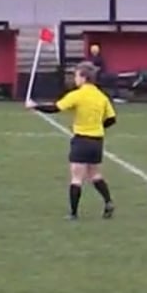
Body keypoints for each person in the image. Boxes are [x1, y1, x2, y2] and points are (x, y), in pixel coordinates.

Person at [32, 62, 115, 220]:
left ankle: (74, 213)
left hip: (82, 139)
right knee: (95, 174)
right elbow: (111, 119)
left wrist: (35, 106)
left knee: (76, 178)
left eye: (76, 76)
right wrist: (98, 127)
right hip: (97, 141)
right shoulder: (101, 96)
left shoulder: (77, 95)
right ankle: (108, 201)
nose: (75, 79)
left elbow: (56, 107)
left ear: (83, 77)